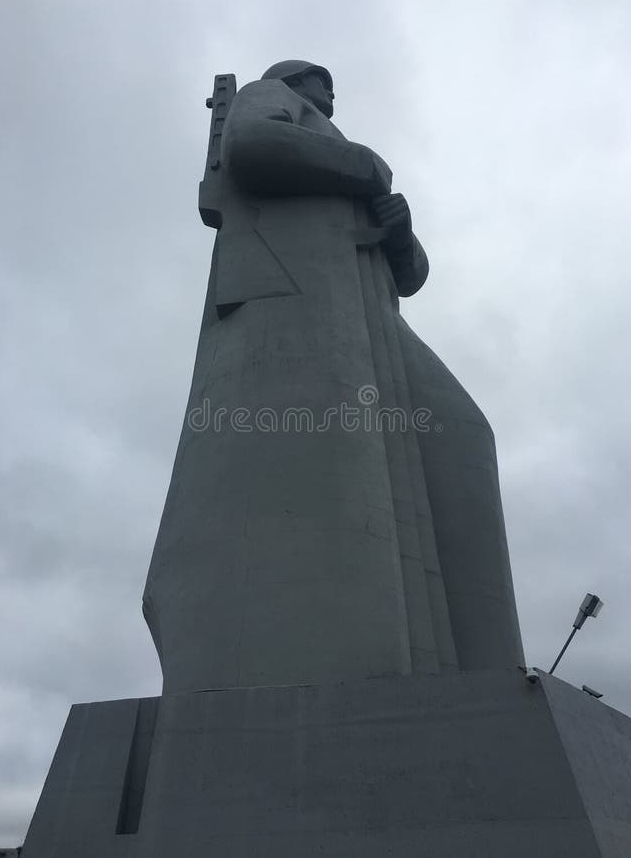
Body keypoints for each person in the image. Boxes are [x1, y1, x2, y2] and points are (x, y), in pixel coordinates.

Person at [143, 61, 524, 696]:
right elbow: (252, 147)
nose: (330, 85)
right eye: (320, 77)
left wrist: (400, 232)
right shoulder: (273, 98)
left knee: (461, 433)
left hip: (370, 307)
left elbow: (408, 277)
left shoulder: (331, 144)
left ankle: (489, 679)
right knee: (330, 461)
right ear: (294, 79)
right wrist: (370, 166)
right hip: (298, 289)